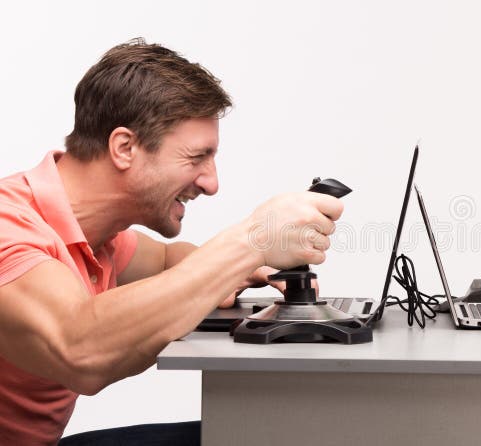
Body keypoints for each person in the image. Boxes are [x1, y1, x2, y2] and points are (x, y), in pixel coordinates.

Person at [0, 39, 343, 445]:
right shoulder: (11, 228)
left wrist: (247, 269)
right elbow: (79, 348)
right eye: (197, 158)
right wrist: (250, 241)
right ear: (124, 147)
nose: (211, 183)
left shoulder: (97, 235)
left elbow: (167, 260)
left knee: (251, 434)